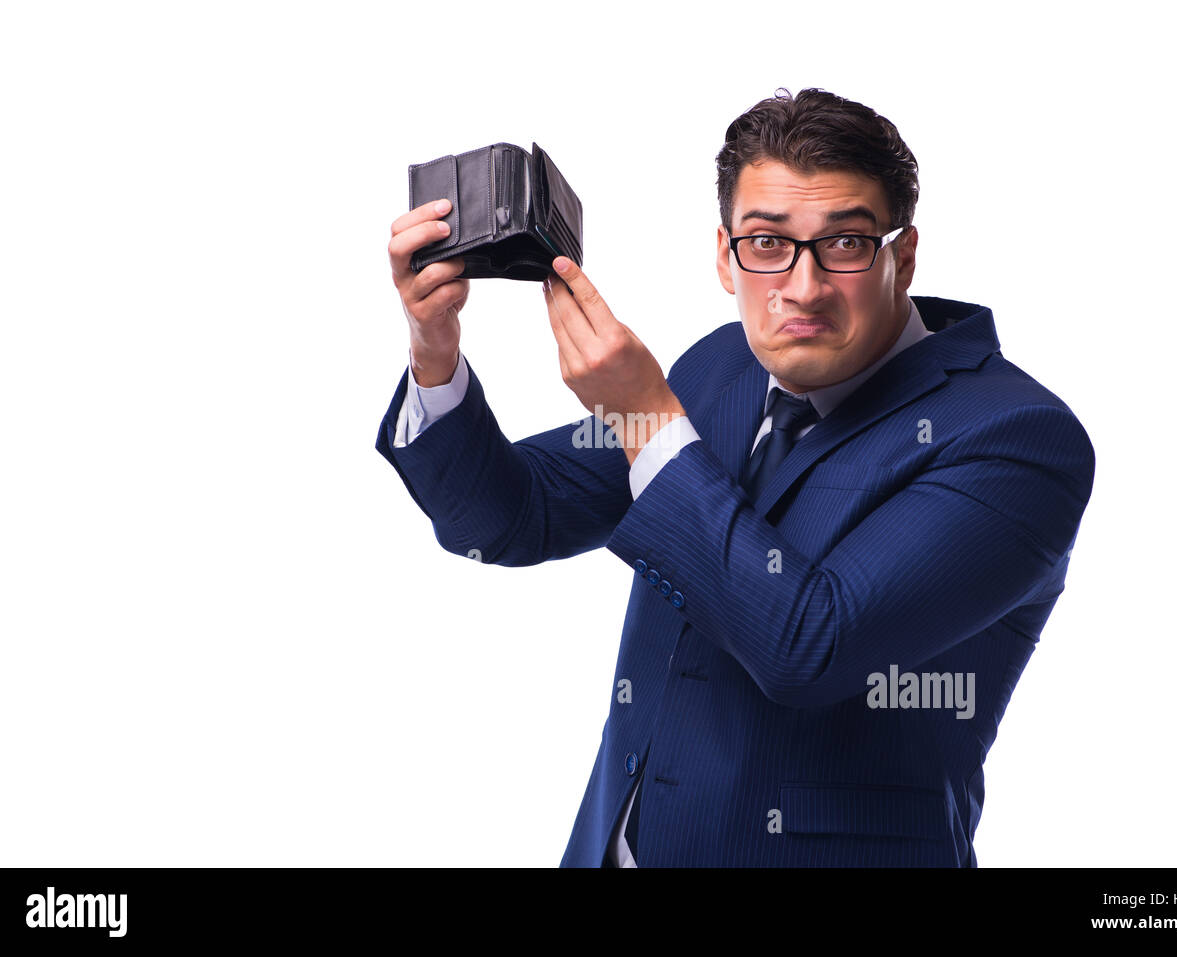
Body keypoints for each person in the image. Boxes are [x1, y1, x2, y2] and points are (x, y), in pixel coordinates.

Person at [376, 87, 1095, 867]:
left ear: (905, 255)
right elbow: (513, 518)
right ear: (725, 255)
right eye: (767, 241)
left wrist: (647, 419)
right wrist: (434, 351)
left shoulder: (1017, 441)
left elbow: (809, 647)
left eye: (846, 243)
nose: (804, 286)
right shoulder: (719, 367)